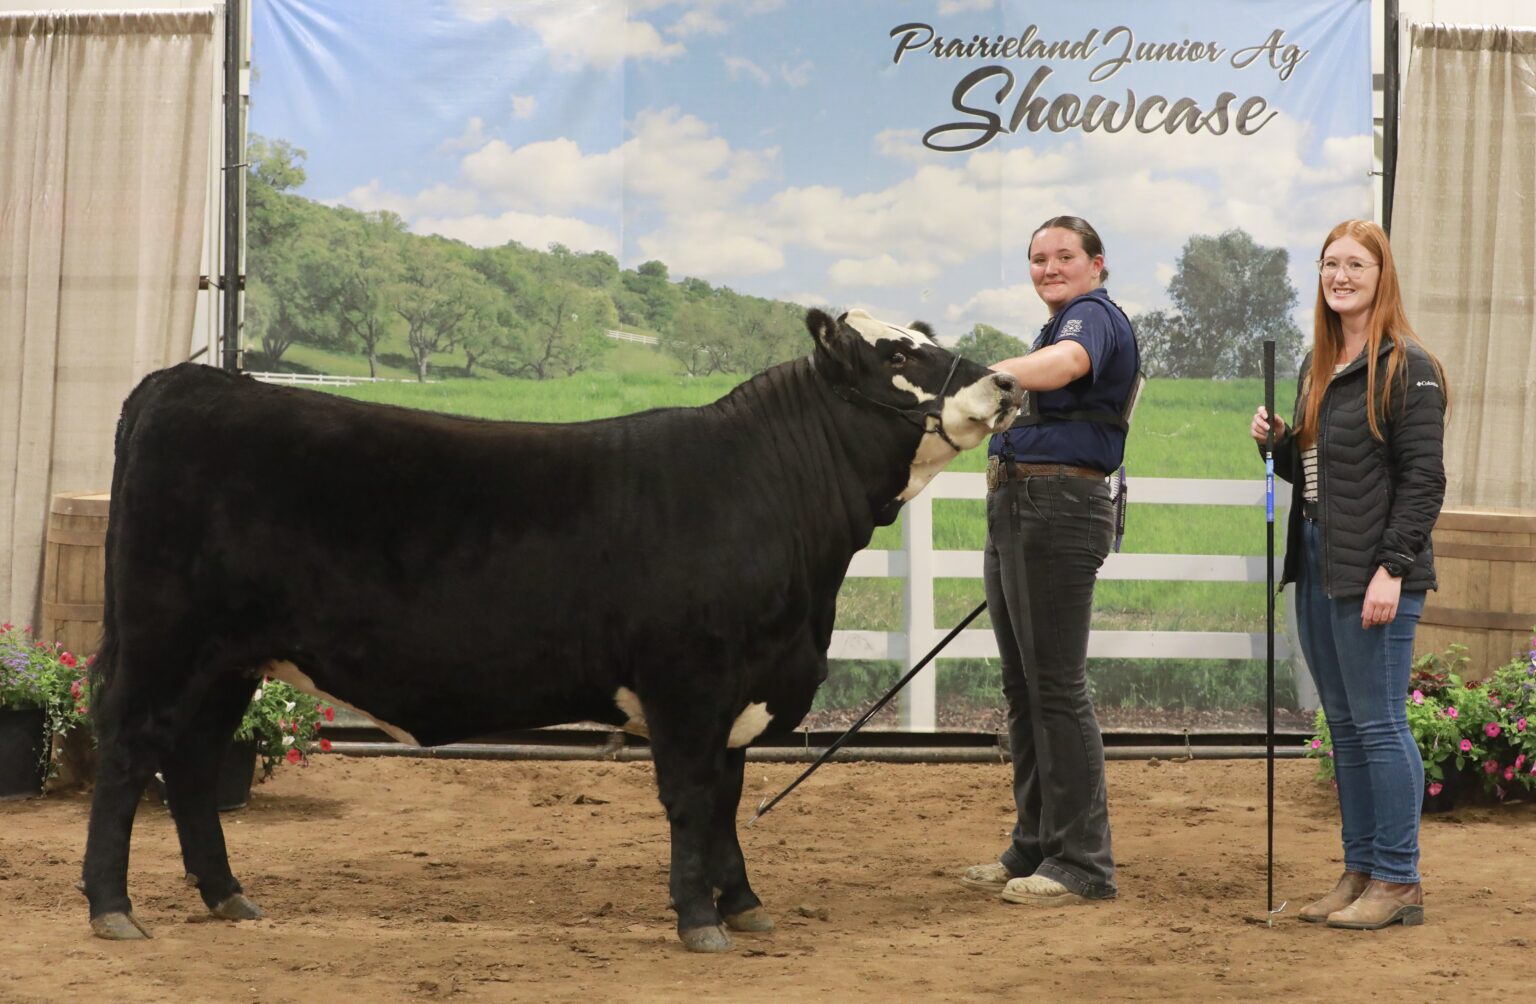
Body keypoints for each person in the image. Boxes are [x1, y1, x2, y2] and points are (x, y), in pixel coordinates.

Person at [1249, 219, 1447, 929]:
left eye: (1355, 265)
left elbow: (1424, 480)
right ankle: (1360, 869)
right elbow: (1313, 478)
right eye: (1330, 263)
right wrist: (1275, 446)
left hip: (1375, 573)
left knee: (1380, 723)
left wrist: (1392, 569)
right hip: (1318, 565)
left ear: (1381, 274)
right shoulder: (1320, 365)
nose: (1340, 276)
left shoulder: (1407, 366)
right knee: (1346, 727)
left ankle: (1399, 880)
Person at [959, 216, 1140, 906]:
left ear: (1098, 264)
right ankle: (1035, 844)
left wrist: (989, 377)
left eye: (1064, 255)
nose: (1049, 267)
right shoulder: (1054, 327)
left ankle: (1084, 864)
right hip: (1020, 507)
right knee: (1024, 688)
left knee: (1056, 687)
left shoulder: (1090, 318)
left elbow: (1068, 368)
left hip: (1056, 507)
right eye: (1038, 259)